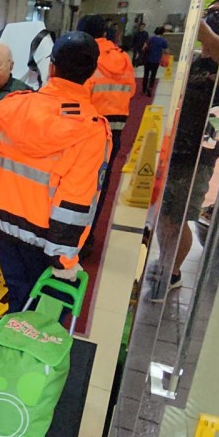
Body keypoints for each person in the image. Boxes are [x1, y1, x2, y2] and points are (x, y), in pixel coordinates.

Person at [0, 32, 112, 312]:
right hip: (47, 244)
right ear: (92, 72)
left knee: (17, 292)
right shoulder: (91, 130)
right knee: (43, 314)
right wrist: (64, 261)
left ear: (51, 67)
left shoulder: (12, 106)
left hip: (4, 227)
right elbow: (75, 202)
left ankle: (10, 338)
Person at [160, 0, 219, 288]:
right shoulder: (197, 61)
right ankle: (164, 263)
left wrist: (202, 27)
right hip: (176, 148)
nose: (215, 17)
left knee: (179, 217)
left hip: (199, 155)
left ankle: (172, 273)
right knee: (166, 215)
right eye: (212, 12)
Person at [77, 14, 138, 257]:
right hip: (115, 130)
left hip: (88, 130)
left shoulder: (87, 56)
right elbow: (131, 91)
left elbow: (78, 94)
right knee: (100, 185)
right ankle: (89, 238)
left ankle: (75, 239)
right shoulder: (122, 57)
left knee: (78, 186)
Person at [141, 27, 169, 96]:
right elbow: (167, 51)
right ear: (162, 33)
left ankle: (144, 89)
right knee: (153, 75)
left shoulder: (150, 39)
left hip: (147, 59)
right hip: (156, 60)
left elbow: (143, 47)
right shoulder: (163, 41)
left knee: (146, 75)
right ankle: (150, 88)